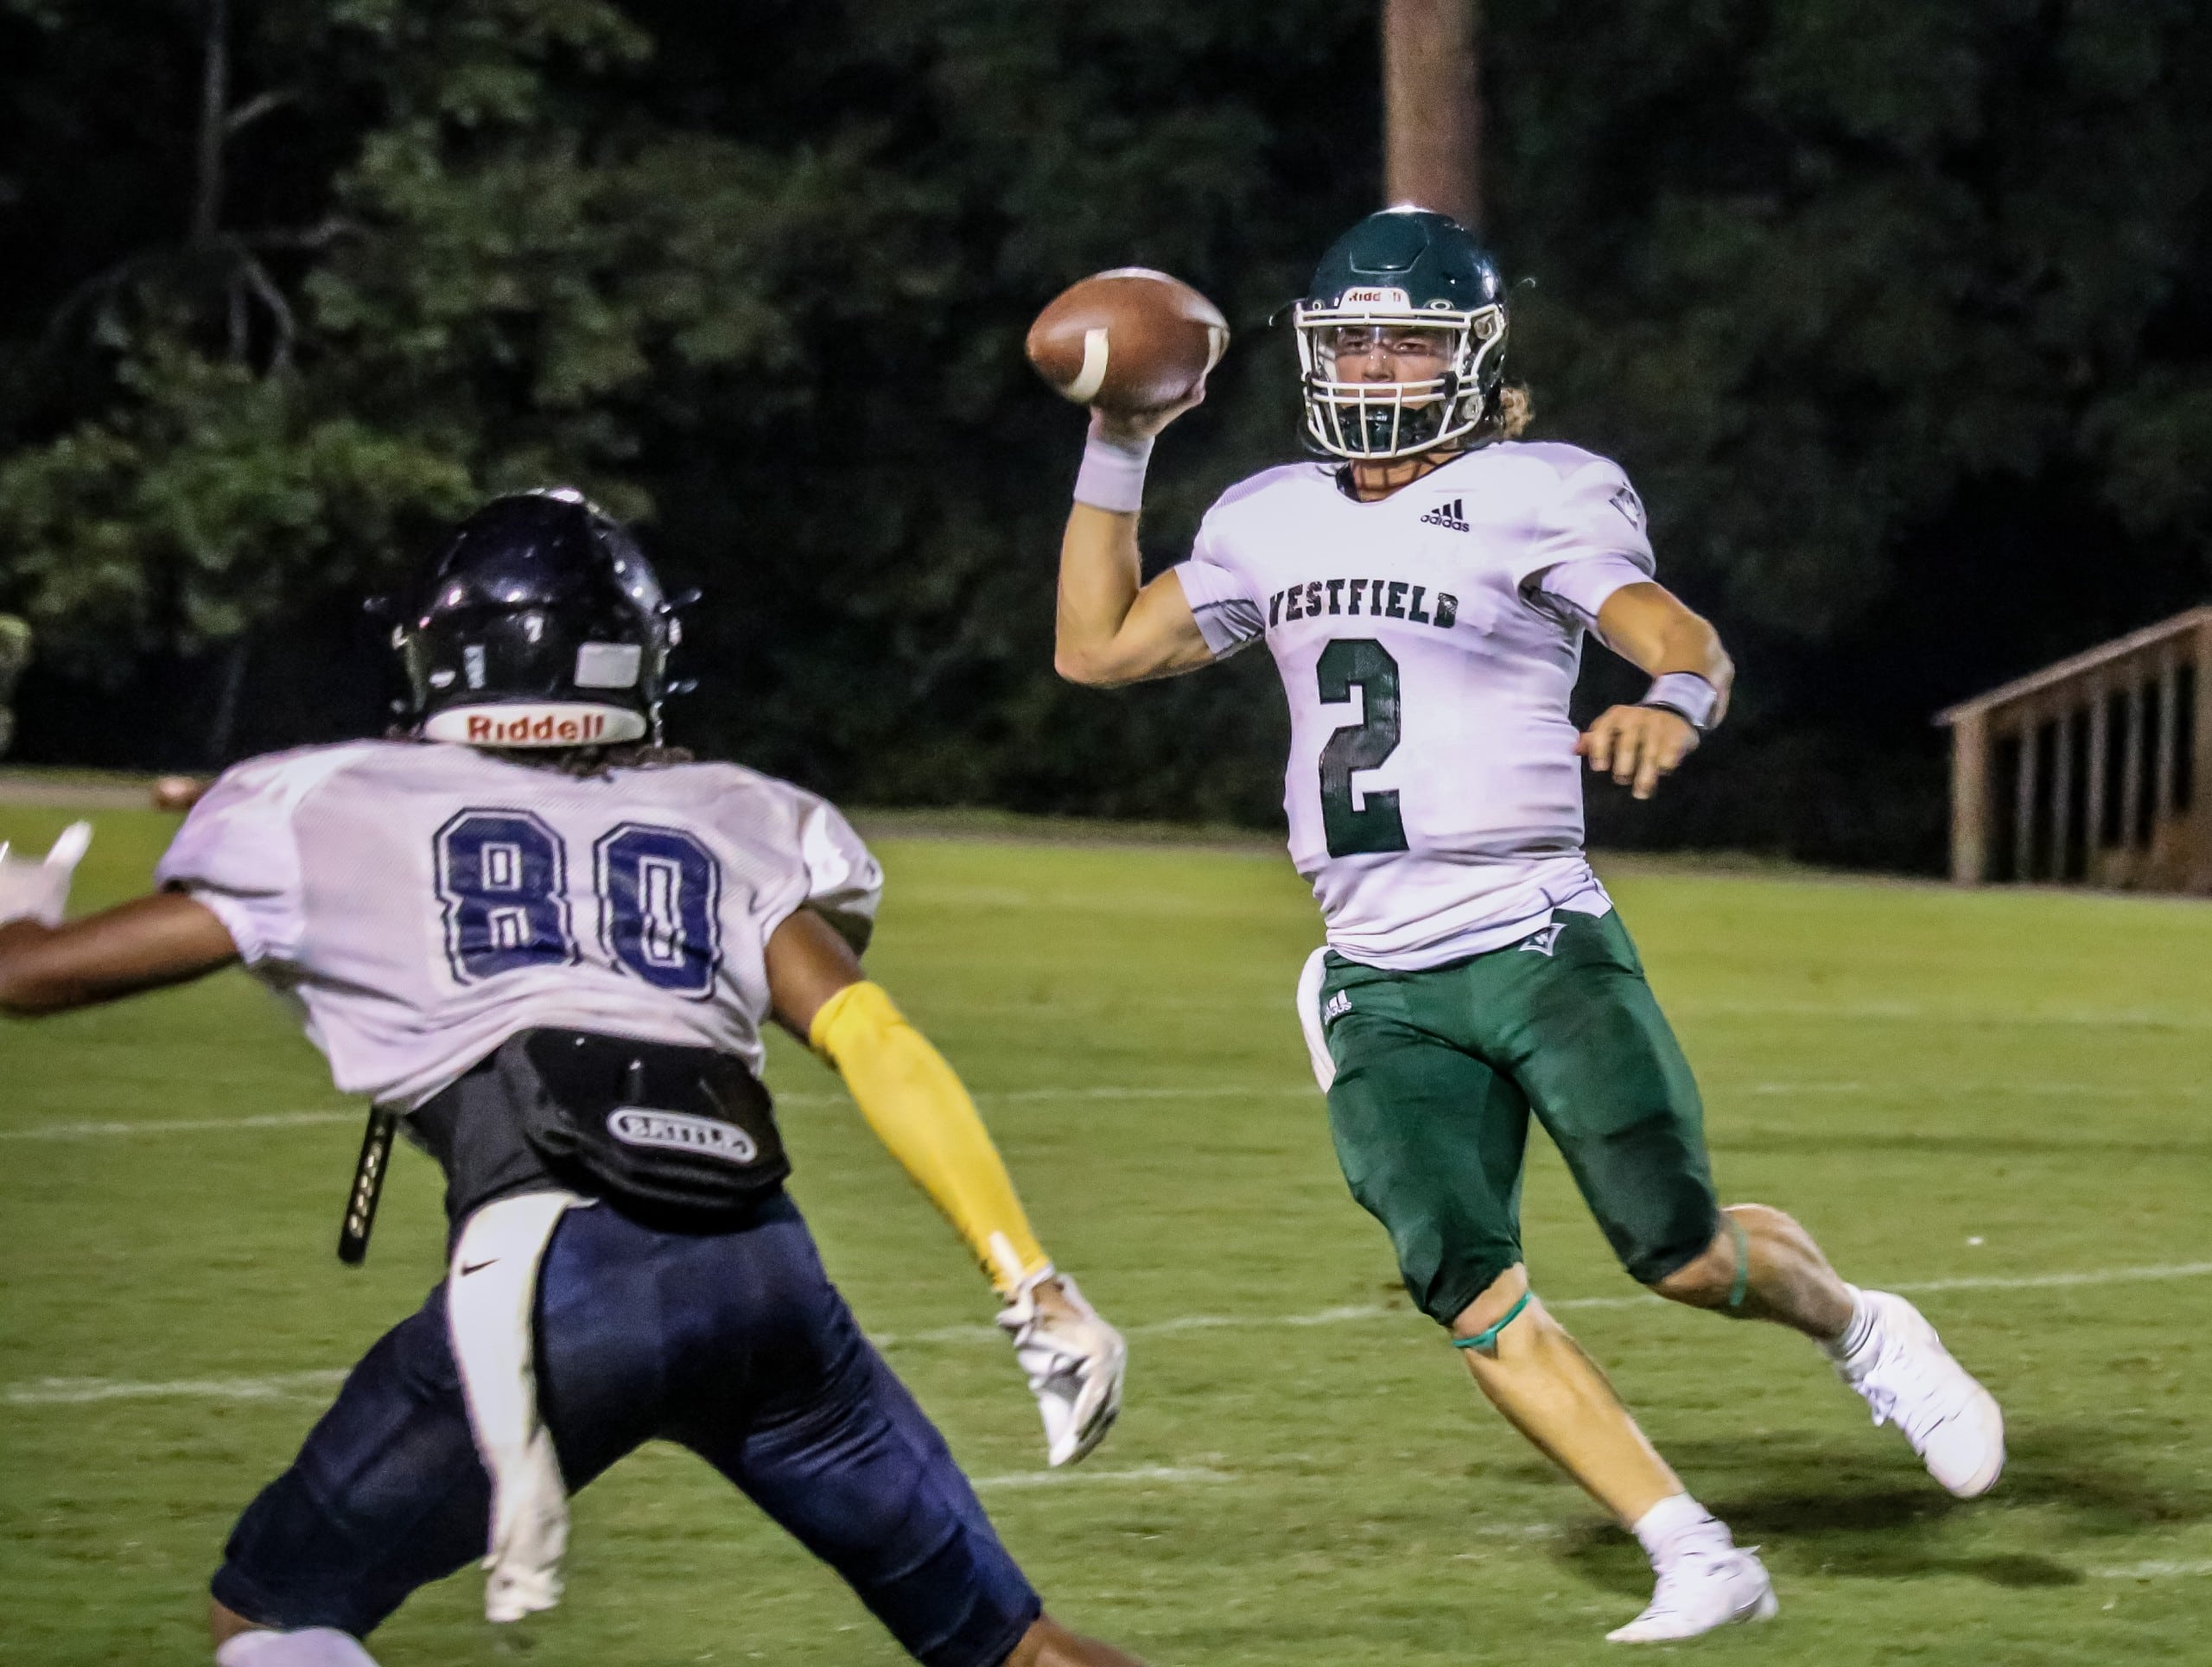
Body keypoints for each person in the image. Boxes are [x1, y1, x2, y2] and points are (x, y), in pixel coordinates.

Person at [1048, 207, 2005, 1644]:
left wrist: (1670, 704)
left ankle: (1863, 1325)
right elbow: (1096, 646)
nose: (1373, 369)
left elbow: (1674, 632)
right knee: (1464, 1280)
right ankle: (1692, 1549)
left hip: (1535, 932)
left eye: (1408, 341)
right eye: (1351, 339)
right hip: (1374, 966)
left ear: (1477, 358)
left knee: (1673, 1249)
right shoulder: (1265, 514)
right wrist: (1119, 438)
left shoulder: (1542, 489)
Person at [0, 489, 1141, 1667]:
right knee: (1015, 1648)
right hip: (763, 1277)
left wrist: (20, 910)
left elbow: (31, 979)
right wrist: (1032, 1280)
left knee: (278, 1612)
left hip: (558, 1278)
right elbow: (873, 1036)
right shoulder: (737, 815)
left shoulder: (322, 799)